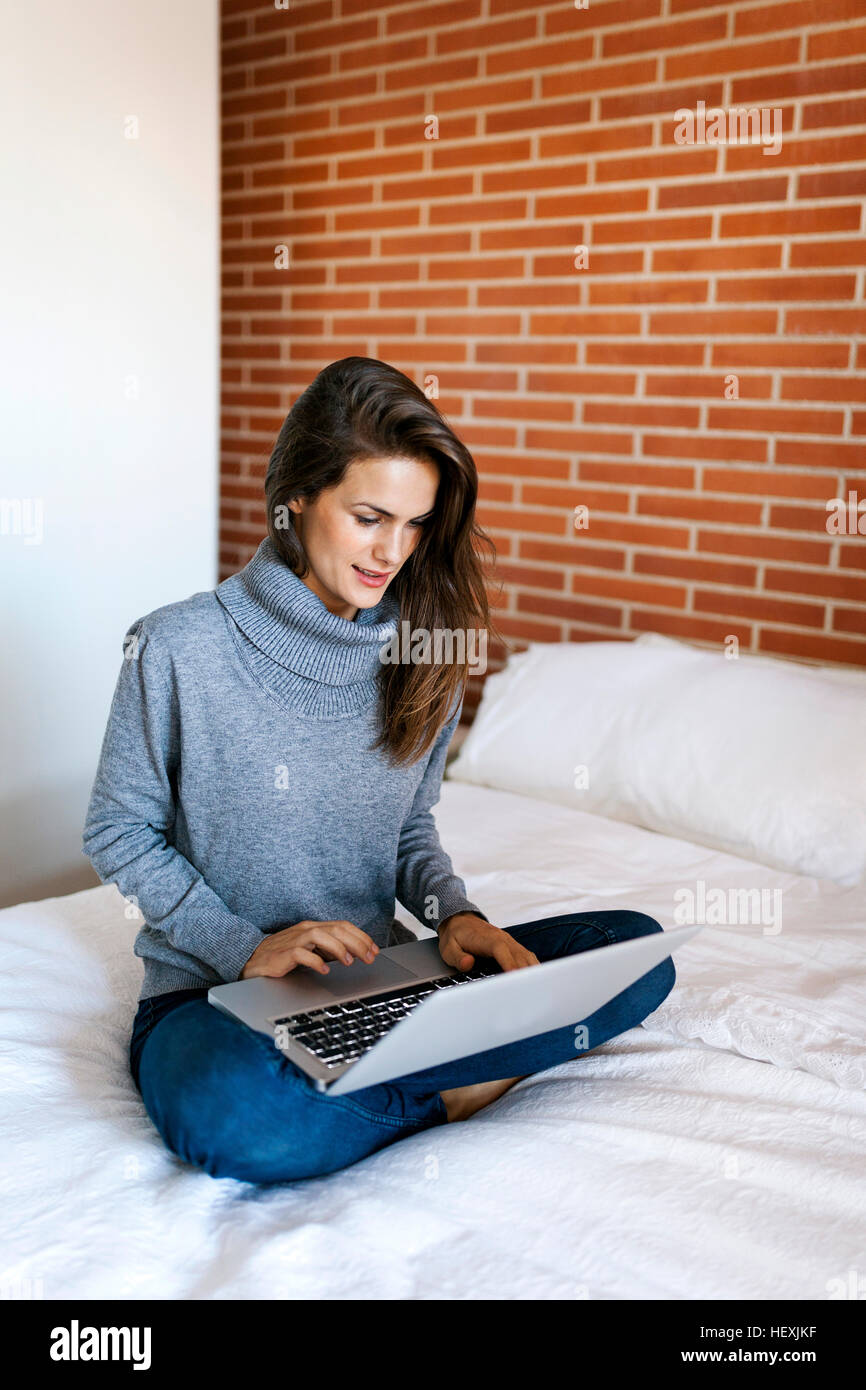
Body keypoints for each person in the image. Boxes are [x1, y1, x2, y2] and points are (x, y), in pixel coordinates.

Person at [82, 355, 675, 1184]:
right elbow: (117, 829)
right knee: (228, 1115)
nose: (392, 551)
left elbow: (407, 830)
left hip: (387, 980)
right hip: (216, 995)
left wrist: (455, 916)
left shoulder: (426, 652)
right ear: (296, 496)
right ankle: (455, 1092)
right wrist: (244, 946)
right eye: (369, 517)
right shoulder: (179, 646)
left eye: (417, 524)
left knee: (638, 950)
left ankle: (384, 1082)